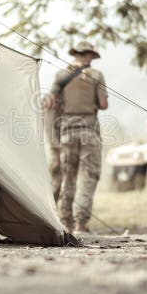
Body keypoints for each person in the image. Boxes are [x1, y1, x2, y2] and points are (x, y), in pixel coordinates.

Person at [44, 41, 108, 235]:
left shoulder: (61, 76)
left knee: (68, 176)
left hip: (67, 133)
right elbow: (103, 104)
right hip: (89, 132)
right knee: (88, 176)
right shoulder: (96, 75)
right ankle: (81, 223)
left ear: (75, 54)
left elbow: (50, 103)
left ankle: (66, 224)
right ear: (89, 55)